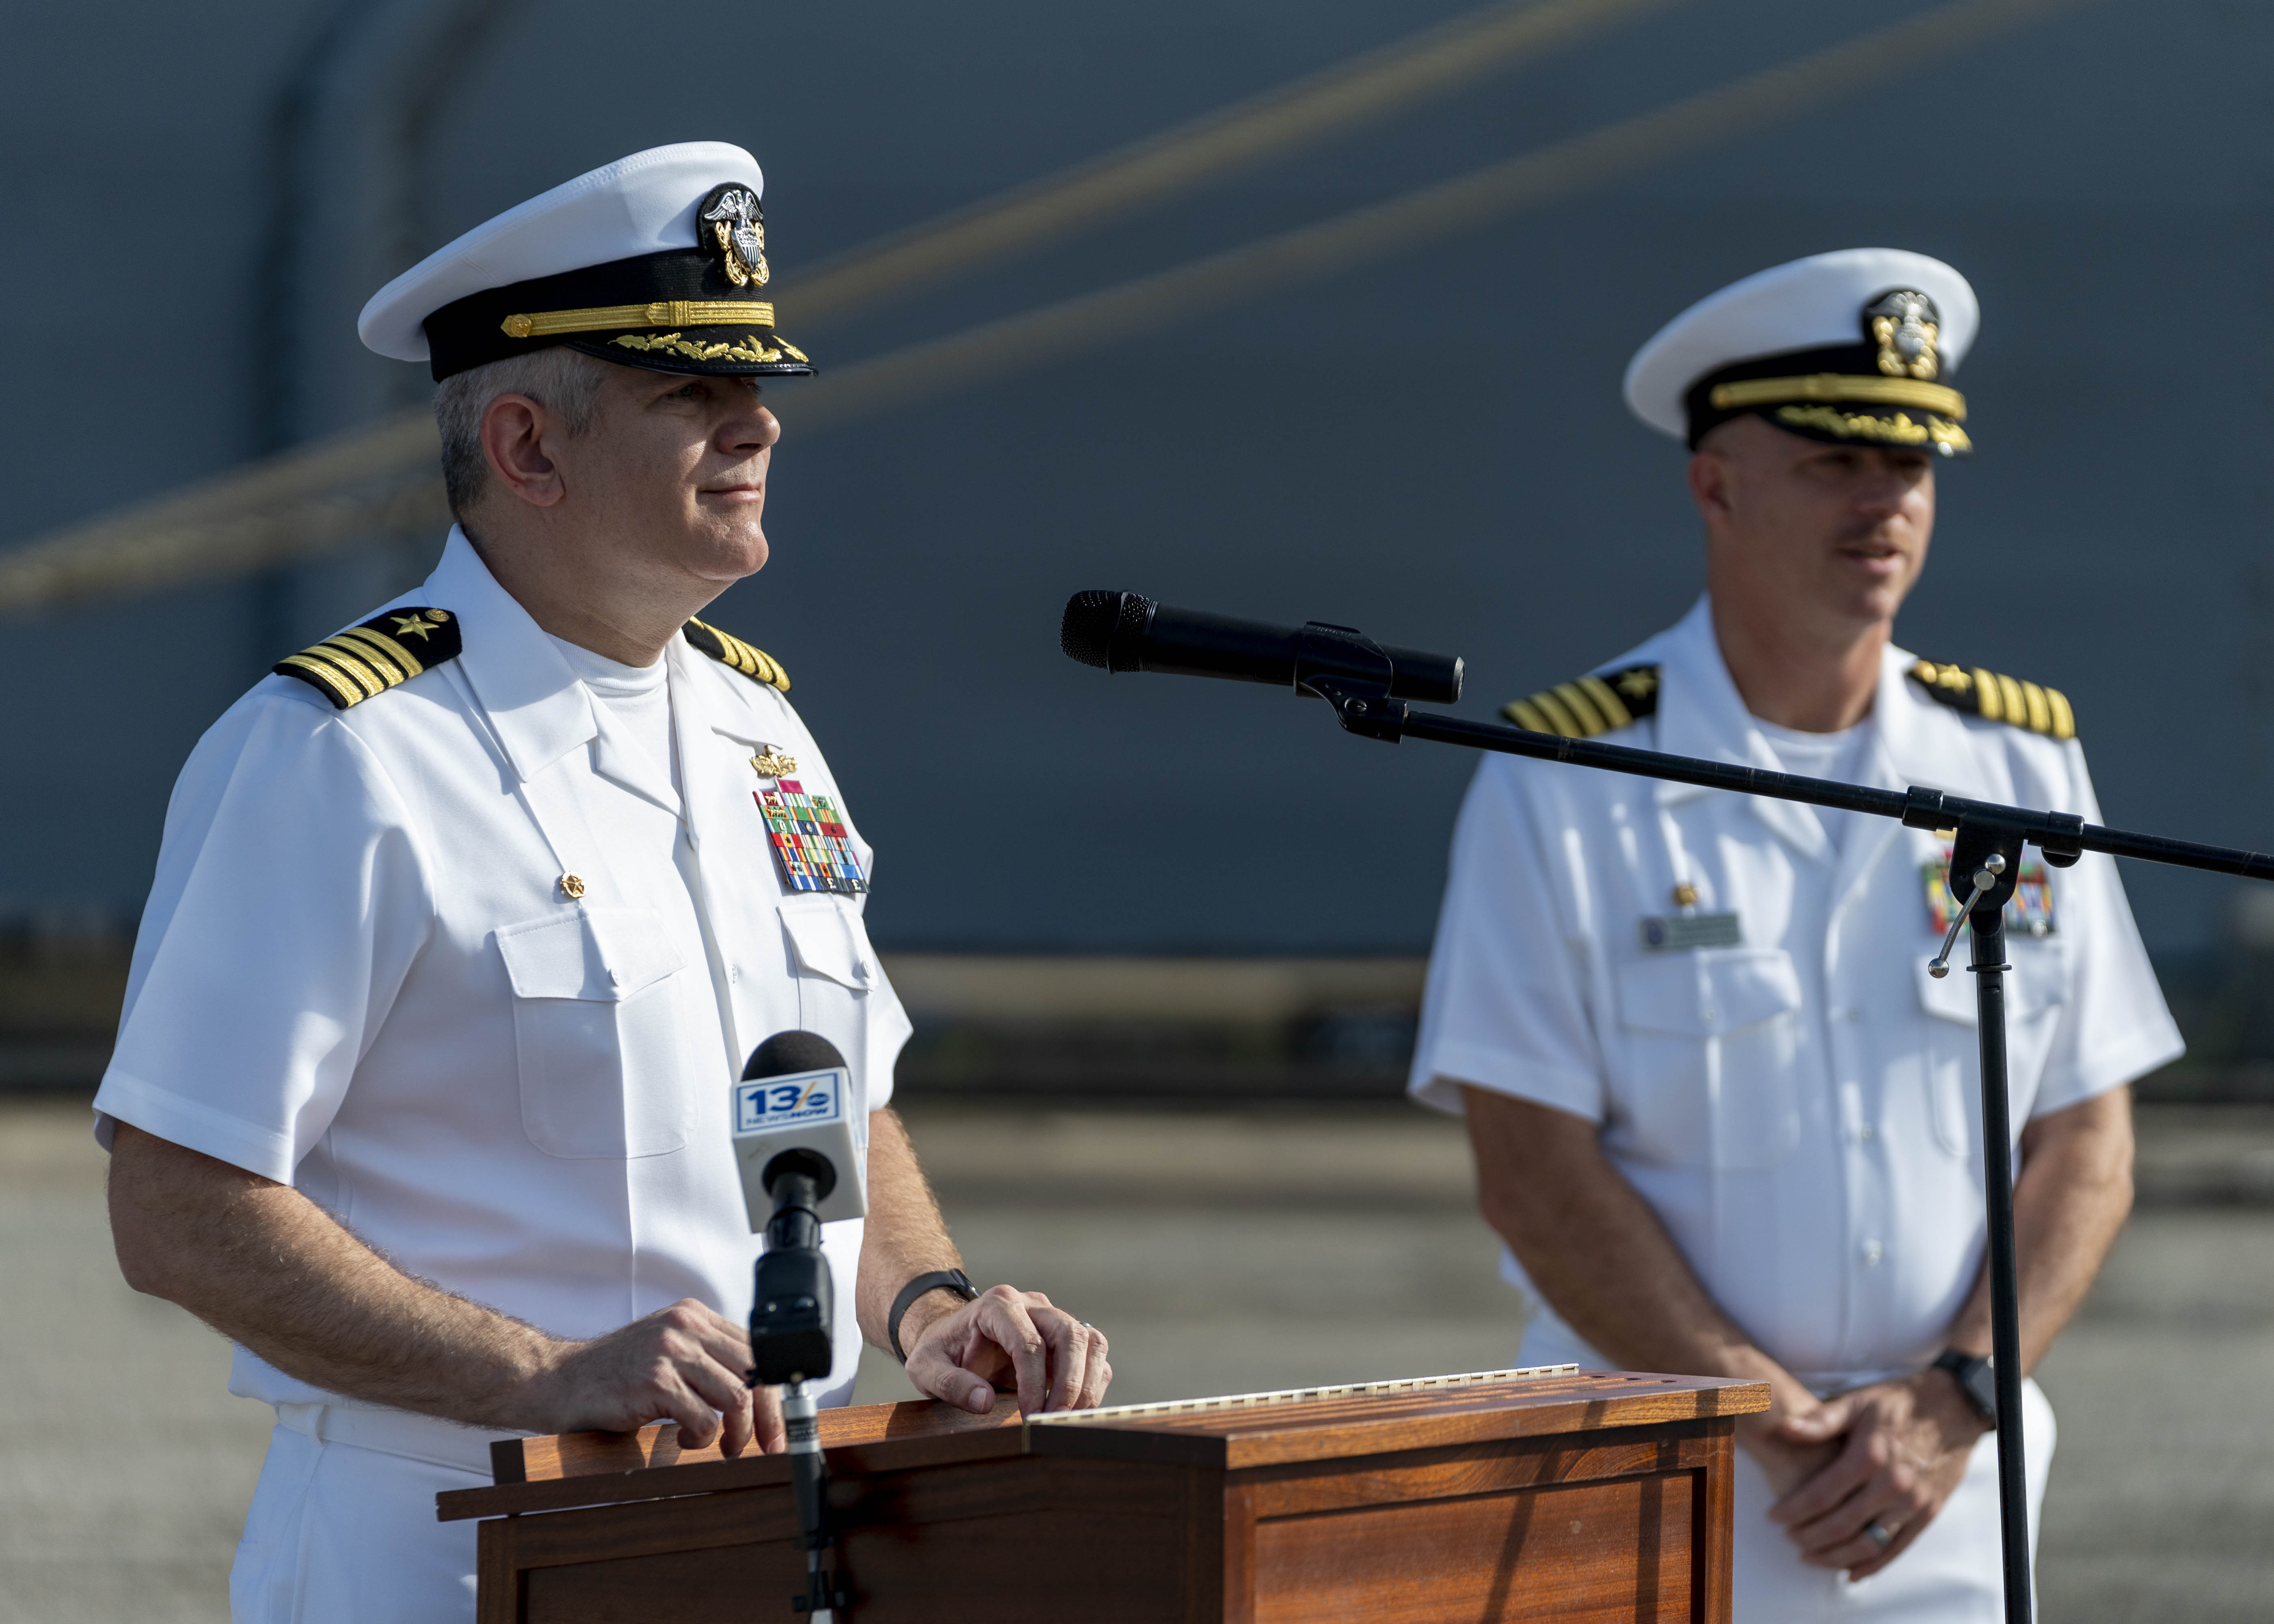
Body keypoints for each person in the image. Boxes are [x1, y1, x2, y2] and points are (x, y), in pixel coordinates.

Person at [97, 143, 1110, 1624]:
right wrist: (545, 1372)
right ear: (526, 447)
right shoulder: (343, 756)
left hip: (784, 1533)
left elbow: (824, 1100)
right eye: (689, 395)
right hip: (450, 1540)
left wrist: (932, 1308)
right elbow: (178, 1203)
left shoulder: (762, 726)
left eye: (754, 389)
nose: (756, 423)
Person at [1408, 248, 2180, 1620]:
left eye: (1914, 465)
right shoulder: (1570, 777)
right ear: (1716, 484)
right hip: (1654, 1469)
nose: (1885, 498)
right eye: (1834, 459)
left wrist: (1956, 1400)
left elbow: (2090, 1132)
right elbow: (1529, 1166)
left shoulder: (2019, 765)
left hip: (1953, 1486)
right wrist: (1775, 1422)